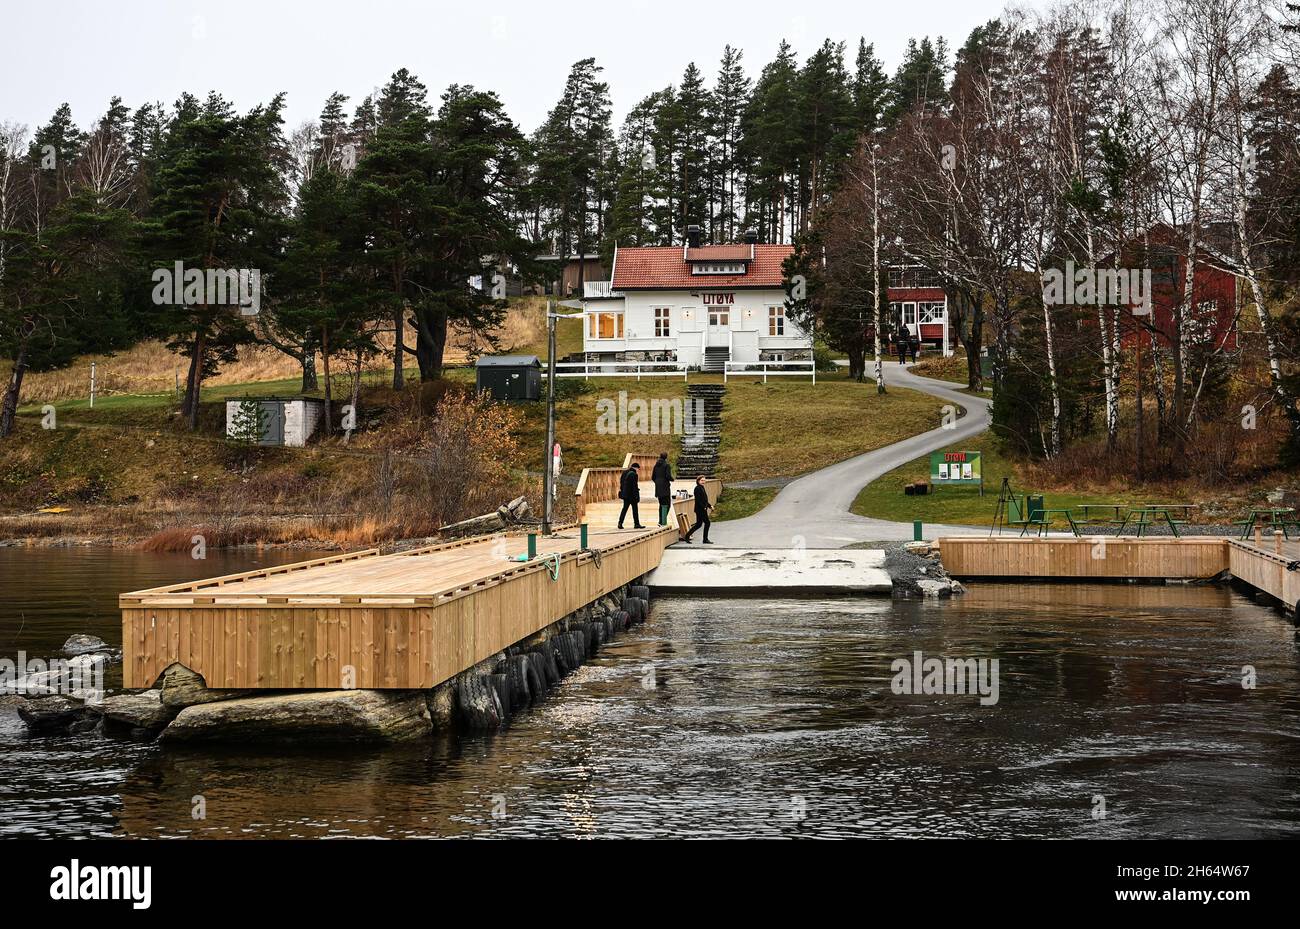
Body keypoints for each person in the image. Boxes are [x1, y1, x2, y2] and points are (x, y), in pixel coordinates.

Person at [683, 475, 713, 544]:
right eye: (702, 480)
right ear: (698, 481)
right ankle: (705, 539)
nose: (703, 481)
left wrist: (710, 506)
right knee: (707, 523)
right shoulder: (697, 488)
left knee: (699, 524)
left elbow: (705, 500)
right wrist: (703, 507)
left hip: (702, 509)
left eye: (704, 480)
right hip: (700, 509)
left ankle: (687, 536)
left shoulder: (702, 487)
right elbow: (698, 500)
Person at [617, 461, 644, 529]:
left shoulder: (624, 473)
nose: (638, 471)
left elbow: (621, 482)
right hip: (632, 495)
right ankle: (636, 524)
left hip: (625, 494)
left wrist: (623, 491)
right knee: (635, 510)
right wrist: (636, 496)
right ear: (636, 468)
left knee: (624, 509)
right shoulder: (634, 474)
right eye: (638, 469)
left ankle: (620, 523)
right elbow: (634, 486)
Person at [651, 452, 674, 526]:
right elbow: (668, 476)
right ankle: (662, 521)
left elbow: (653, 477)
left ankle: (660, 521)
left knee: (661, 505)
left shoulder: (656, 465)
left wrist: (657, 482)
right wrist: (672, 479)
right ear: (666, 457)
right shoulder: (666, 465)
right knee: (667, 505)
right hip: (665, 488)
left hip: (658, 488)